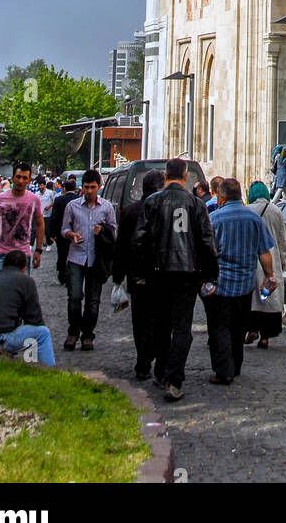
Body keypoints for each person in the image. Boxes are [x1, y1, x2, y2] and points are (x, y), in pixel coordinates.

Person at [130, 158, 217, 402]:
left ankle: (161, 370)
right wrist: (210, 274)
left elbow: (139, 240)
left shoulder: (152, 202)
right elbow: (207, 242)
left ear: (167, 175)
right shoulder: (196, 204)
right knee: (182, 327)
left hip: (158, 272)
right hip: (187, 273)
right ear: (185, 175)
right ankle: (173, 378)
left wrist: (140, 273)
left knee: (160, 323)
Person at [204, 178, 276, 385]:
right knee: (238, 327)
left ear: (222, 196)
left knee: (220, 328)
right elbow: (264, 251)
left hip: (221, 284)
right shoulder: (253, 219)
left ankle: (223, 370)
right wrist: (269, 276)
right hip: (245, 285)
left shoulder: (215, 219)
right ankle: (235, 366)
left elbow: (209, 252)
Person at [112, 169, 164, 380]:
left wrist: (118, 275)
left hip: (137, 275)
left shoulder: (132, 211)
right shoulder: (162, 210)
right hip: (159, 274)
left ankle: (143, 361)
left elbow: (121, 246)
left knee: (141, 320)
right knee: (158, 318)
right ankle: (151, 356)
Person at [61, 169, 117, 352]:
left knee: (93, 301)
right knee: (75, 297)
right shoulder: (72, 206)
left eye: (93, 187)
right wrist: (71, 234)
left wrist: (103, 231)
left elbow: (114, 231)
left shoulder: (106, 207)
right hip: (76, 257)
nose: (90, 191)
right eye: (86, 187)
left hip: (96, 259)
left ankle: (87, 335)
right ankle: (73, 331)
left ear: (99, 187)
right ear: (81, 187)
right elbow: (64, 229)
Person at [244, 182, 286, 349]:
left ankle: (252, 328)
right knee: (268, 297)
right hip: (272, 258)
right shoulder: (276, 211)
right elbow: (282, 239)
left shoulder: (247, 210)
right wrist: (284, 263)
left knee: (254, 298)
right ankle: (265, 337)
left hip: (252, 259)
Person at [0, 163, 44, 274]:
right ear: (12, 178)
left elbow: (40, 223)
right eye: (18, 177)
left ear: (29, 180)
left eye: (24, 178)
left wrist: (38, 250)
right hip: (0, 252)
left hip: (22, 253)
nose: (21, 181)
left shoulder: (34, 200)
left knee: (21, 288)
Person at [49, 176, 78, 285]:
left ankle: (62, 273)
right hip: (75, 231)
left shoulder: (59, 200)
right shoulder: (78, 200)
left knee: (62, 253)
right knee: (73, 253)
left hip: (61, 231)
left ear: (64, 188)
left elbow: (54, 217)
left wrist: (52, 233)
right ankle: (70, 274)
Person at [38, 178, 56, 249]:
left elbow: (54, 201)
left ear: (44, 185)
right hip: (40, 214)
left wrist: (49, 206)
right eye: (39, 185)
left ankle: (49, 244)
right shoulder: (37, 194)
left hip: (48, 214)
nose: (40, 187)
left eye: (41, 185)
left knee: (47, 230)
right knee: (40, 230)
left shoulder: (50, 193)